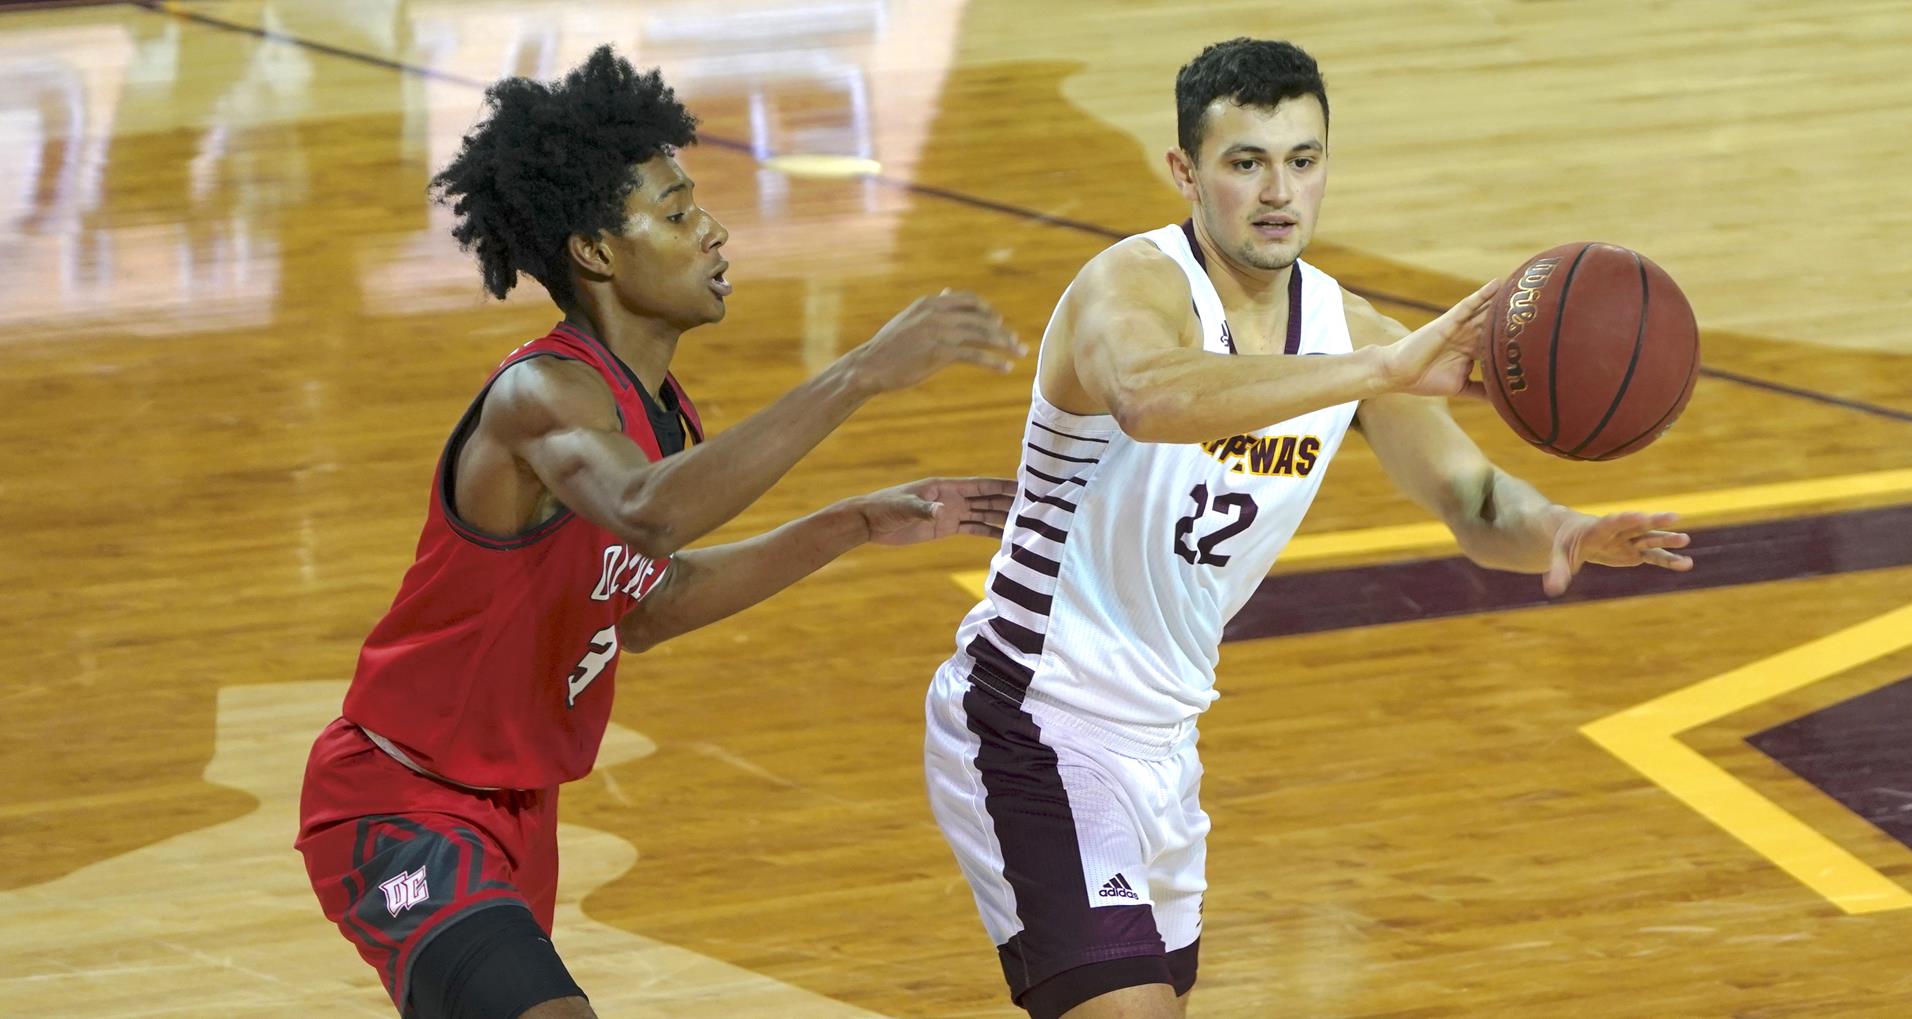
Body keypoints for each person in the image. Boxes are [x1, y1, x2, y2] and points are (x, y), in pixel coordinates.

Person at [922, 37, 1694, 1019]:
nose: (1277, 190)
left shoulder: (1351, 331)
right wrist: (1373, 371)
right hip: (1030, 714)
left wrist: (1560, 527)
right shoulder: (1132, 284)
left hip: (1162, 740)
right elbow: (1148, 395)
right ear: (1185, 173)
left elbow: (1470, 499)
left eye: (1302, 159)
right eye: (1245, 162)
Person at [295, 46, 1023, 1019]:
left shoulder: (659, 410)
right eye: (678, 215)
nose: (713, 232)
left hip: (522, 805)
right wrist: (858, 373)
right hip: (400, 800)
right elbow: (646, 510)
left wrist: (848, 521)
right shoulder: (538, 395)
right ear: (596, 249)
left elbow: (644, 603)